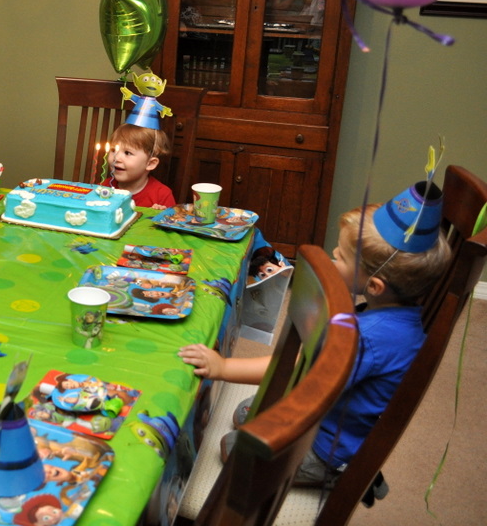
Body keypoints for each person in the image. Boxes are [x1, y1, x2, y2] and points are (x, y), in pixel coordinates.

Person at [178, 181, 451, 489]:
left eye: (342, 256)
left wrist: (224, 367)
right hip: (333, 409)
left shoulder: (369, 339)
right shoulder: (396, 313)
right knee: (245, 411)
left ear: (374, 287)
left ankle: (332, 476)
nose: (333, 255)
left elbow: (300, 370)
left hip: (327, 447)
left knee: (232, 448)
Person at [101, 123, 176, 210]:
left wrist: (159, 216)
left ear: (150, 163)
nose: (116, 158)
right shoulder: (103, 188)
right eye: (113, 150)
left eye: (127, 153)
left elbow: (172, 221)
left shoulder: (162, 195)